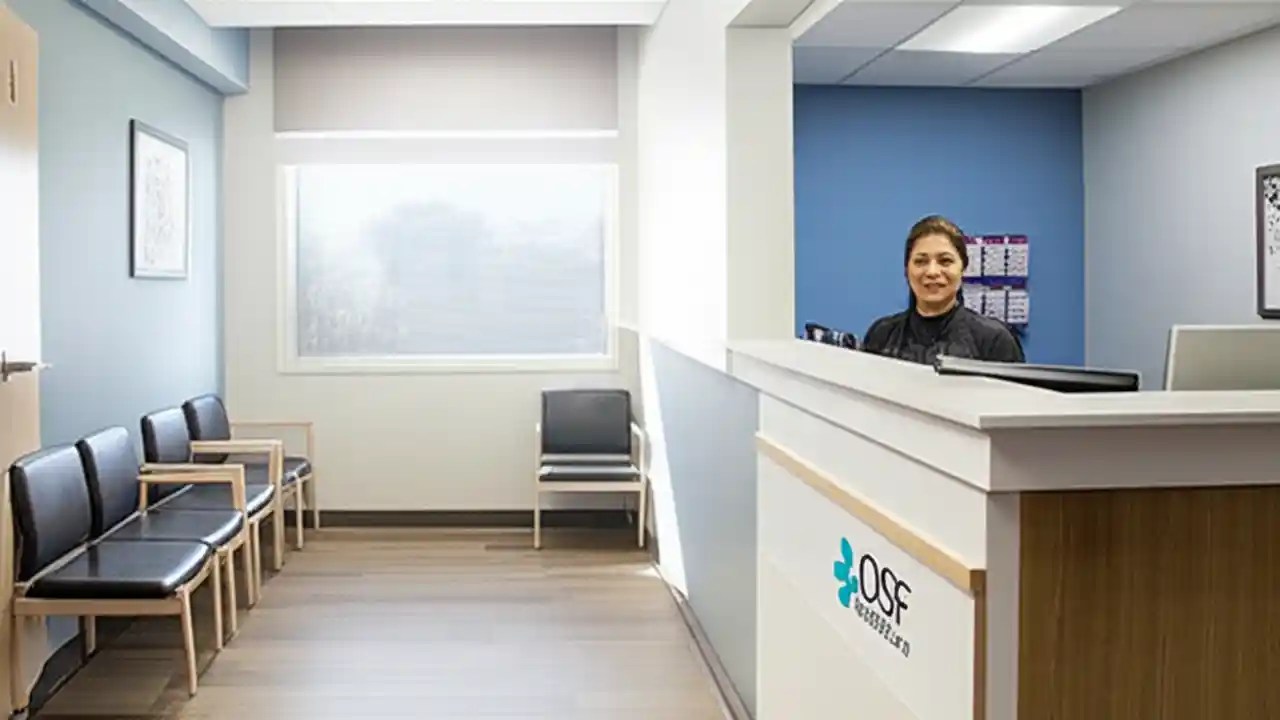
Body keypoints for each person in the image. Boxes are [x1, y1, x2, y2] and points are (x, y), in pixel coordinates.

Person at [861, 215, 1024, 366]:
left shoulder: (995, 341)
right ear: (906, 270)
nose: (932, 272)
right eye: (920, 261)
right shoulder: (881, 335)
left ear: (963, 269)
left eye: (945, 261)